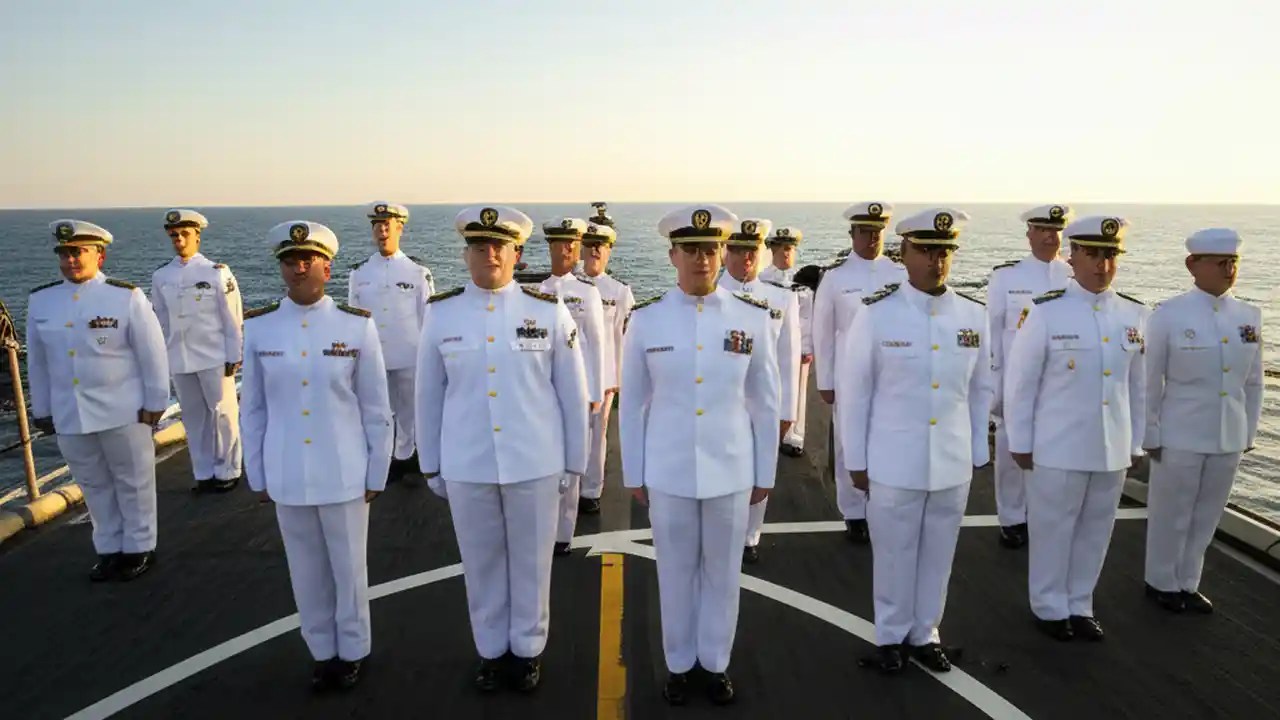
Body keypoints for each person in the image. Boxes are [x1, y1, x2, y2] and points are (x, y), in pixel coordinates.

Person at [415, 206, 589, 693]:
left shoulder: (547, 312)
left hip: (535, 462)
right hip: (467, 464)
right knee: (482, 562)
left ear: (517, 253)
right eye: (479, 245)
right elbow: (427, 396)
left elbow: (572, 395)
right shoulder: (441, 313)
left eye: (499, 245)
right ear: (466, 254)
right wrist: (431, 464)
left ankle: (528, 649)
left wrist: (574, 462)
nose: (489, 253)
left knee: (532, 563)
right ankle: (492, 652)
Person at [621, 204, 780, 706]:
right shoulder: (646, 321)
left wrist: (766, 471)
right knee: (674, 573)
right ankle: (678, 664)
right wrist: (633, 471)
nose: (702, 259)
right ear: (672, 254)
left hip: (732, 469)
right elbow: (632, 403)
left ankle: (714, 664)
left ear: (723, 253)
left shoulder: (751, 320)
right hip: (668, 470)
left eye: (711, 249)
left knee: (722, 574)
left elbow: (766, 401)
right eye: (691, 249)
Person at [240, 220, 393, 691]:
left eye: (308, 259)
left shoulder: (356, 326)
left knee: (348, 569)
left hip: (345, 469)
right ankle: (321, 651)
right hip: (287, 471)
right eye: (290, 260)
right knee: (304, 570)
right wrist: (258, 474)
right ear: (281, 268)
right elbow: (254, 409)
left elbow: (376, 407)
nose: (298, 267)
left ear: (327, 267)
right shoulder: (260, 328)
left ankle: (353, 650)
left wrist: (378, 469)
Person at [838, 208, 991, 673]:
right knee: (894, 552)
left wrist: (977, 451)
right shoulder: (876, 315)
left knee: (939, 554)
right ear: (903, 253)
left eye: (944, 251)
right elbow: (855, 393)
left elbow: (981, 388)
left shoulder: (972, 315)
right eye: (925, 250)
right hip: (893, 459)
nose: (936, 260)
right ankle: (889, 635)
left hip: (951, 459)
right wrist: (857, 460)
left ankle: (926, 632)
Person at [1005, 215, 1149, 642]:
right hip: (1058, 446)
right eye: (1093, 255)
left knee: (1096, 531)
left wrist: (1136, 442)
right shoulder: (1047, 312)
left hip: (1111, 447)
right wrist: (1022, 442)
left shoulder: (1135, 314)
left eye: (1110, 255)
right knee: (1054, 530)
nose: (1102, 265)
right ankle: (1050, 606)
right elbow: (1021, 383)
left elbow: (1137, 389)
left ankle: (1080, 604)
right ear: (1073, 256)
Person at [26, 220, 168, 581]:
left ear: (99, 255)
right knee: (93, 484)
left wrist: (155, 401)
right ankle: (108, 547)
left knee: (133, 481)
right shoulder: (41, 301)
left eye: (78, 252)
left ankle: (139, 546)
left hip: (124, 410)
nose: (71, 259)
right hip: (70, 413)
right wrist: (41, 408)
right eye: (64, 253)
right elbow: (38, 362)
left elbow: (152, 354)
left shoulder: (126, 297)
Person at [1143, 228, 1263, 614]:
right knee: (1171, 514)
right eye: (1220, 263)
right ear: (1193, 265)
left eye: (1233, 263)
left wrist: (1247, 431)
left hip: (1227, 434)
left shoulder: (1249, 316)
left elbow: (1254, 381)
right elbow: (1150, 380)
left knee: (1207, 515)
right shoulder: (1168, 315)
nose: (1229, 270)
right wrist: (1151, 431)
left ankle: (1188, 582)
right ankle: (1161, 581)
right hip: (1180, 432)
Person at [812, 202, 906, 543]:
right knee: (847, 440)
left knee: (887, 436)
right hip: (848, 374)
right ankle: (853, 510)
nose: (872, 238)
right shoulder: (836, 278)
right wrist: (824, 380)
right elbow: (823, 334)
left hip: (892, 372)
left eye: (878, 231)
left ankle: (882, 500)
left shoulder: (899, 274)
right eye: (865, 231)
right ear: (852, 234)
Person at [986, 204, 1074, 548]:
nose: (1051, 237)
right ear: (1030, 235)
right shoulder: (1006, 278)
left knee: (1053, 448)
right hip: (1014, 378)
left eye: (1056, 231)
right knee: (1010, 451)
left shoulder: (1071, 275)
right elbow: (992, 331)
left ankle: (1042, 513)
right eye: (1043, 230)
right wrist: (995, 382)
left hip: (1058, 380)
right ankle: (1012, 517)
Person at [717, 217, 800, 564]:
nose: (746, 257)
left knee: (760, 472)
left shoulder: (781, 299)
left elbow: (789, 360)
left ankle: (751, 536)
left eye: (752, 249)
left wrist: (788, 415)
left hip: (763, 404)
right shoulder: (709, 296)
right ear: (724, 252)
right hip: (721, 405)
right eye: (737, 249)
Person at [150, 209, 243, 493]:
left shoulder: (216, 272)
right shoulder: (161, 276)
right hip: (180, 357)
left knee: (223, 413)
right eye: (174, 235)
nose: (179, 240)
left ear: (197, 236)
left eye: (184, 234)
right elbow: (161, 320)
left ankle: (228, 469)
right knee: (193, 417)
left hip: (214, 355)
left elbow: (232, 316)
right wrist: (164, 358)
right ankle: (204, 472)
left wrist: (234, 354)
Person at [348, 202, 434, 482]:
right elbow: (354, 318)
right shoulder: (359, 273)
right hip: (374, 354)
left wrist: (428, 354)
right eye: (377, 226)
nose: (382, 231)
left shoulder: (418, 272)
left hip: (409, 351)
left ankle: (405, 455)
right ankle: (380, 456)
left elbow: (428, 317)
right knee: (376, 408)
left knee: (409, 407)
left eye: (388, 225)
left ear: (400, 229)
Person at [537, 217, 606, 555]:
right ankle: (545, 523)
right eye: (560, 243)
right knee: (548, 457)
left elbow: (597, 343)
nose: (566, 249)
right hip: (546, 390)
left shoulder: (588, 293)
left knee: (573, 461)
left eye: (571, 244)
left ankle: (564, 532)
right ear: (550, 246)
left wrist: (596, 392)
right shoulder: (537, 292)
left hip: (580, 388)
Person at [579, 221, 635, 514]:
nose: (594, 250)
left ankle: (591, 490)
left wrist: (620, 377)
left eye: (600, 245)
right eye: (589, 244)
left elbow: (625, 336)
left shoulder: (620, 292)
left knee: (597, 434)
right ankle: (566, 485)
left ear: (609, 251)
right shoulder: (564, 286)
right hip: (570, 374)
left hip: (603, 375)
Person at [760, 226, 813, 458]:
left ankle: (794, 435)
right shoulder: (762, 281)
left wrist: (808, 346)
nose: (786, 254)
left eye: (790, 249)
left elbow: (808, 317)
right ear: (771, 250)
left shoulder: (800, 282)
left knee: (798, 390)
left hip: (797, 346)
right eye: (782, 249)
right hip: (772, 344)